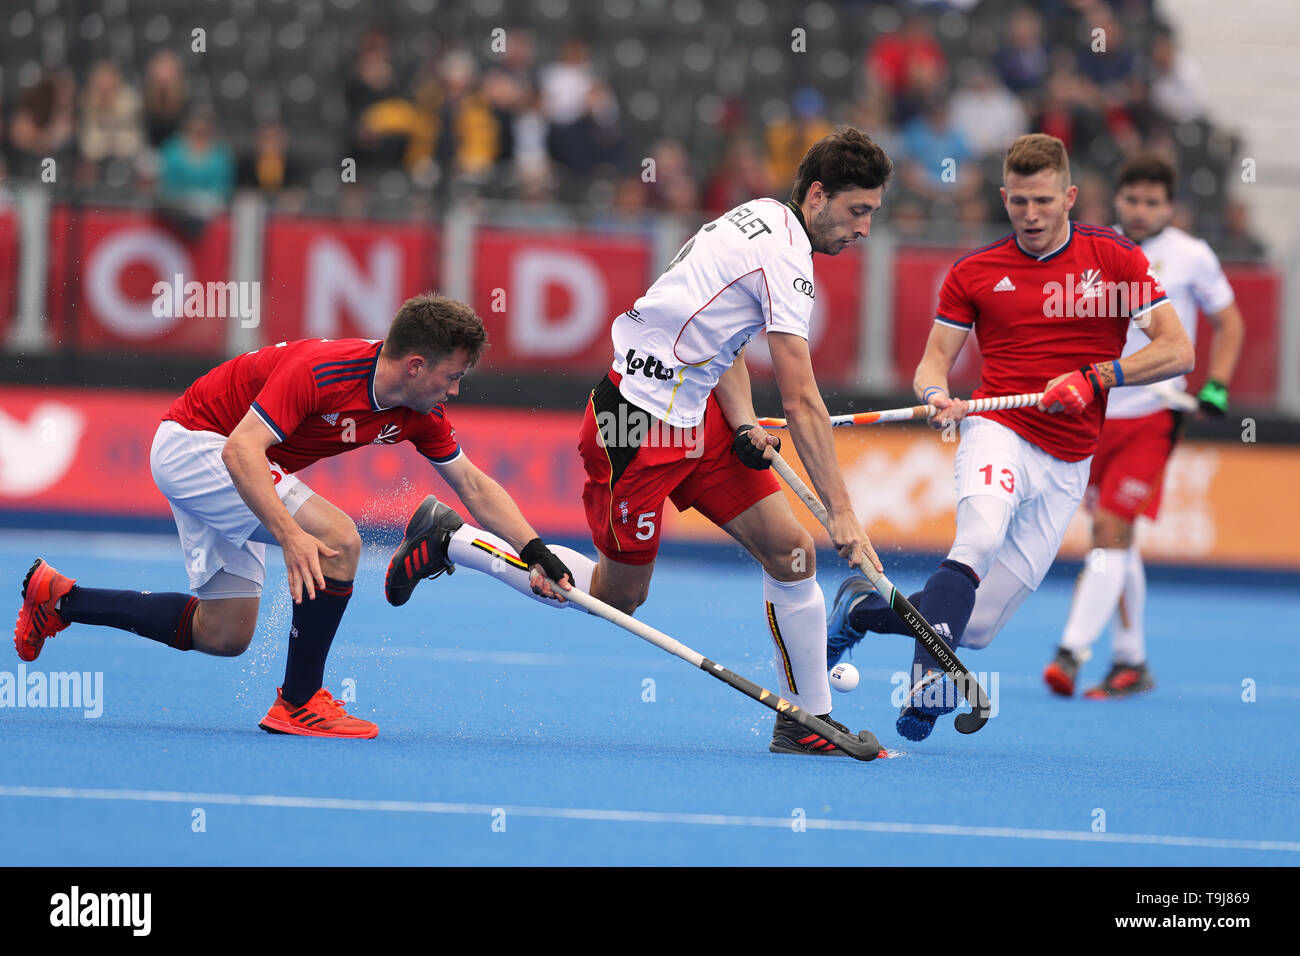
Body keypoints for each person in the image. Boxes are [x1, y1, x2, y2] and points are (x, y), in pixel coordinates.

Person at [392, 127, 894, 756]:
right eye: (857, 211)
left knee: (792, 551)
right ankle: (454, 539)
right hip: (633, 425)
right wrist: (843, 513)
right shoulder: (786, 257)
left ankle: (807, 721)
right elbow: (801, 401)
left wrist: (740, 421)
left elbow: (723, 334)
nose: (864, 228)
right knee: (617, 596)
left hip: (700, 414)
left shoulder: (762, 216)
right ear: (818, 195)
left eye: (873, 214)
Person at [14, 294, 575, 738]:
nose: (454, 389)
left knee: (225, 632)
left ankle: (60, 598)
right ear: (415, 363)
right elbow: (240, 451)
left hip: (240, 461)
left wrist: (537, 553)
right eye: (451, 376)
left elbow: (473, 484)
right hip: (199, 445)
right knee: (339, 539)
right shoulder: (322, 371)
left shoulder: (417, 408)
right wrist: (289, 535)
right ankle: (300, 702)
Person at [826, 133, 1194, 742]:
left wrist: (1098, 376)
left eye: (1044, 201)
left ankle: (861, 609)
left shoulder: (1117, 261)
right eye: (1018, 202)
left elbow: (1177, 349)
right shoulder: (975, 271)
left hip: (1070, 459)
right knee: (978, 537)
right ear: (1004, 196)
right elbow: (931, 364)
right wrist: (934, 396)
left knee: (977, 627)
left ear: (1070, 196)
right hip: (999, 428)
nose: (1030, 215)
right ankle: (928, 683)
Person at [1043, 155, 1244, 698]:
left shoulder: (1192, 255)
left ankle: (1070, 651)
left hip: (1155, 412)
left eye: (1153, 202)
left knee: (1110, 529)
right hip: (1097, 411)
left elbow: (1229, 322)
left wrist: (1217, 384)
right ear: (1117, 200)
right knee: (1116, 539)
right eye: (1132, 199)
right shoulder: (1095, 248)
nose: (1140, 210)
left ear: (1170, 207)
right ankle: (1132, 661)